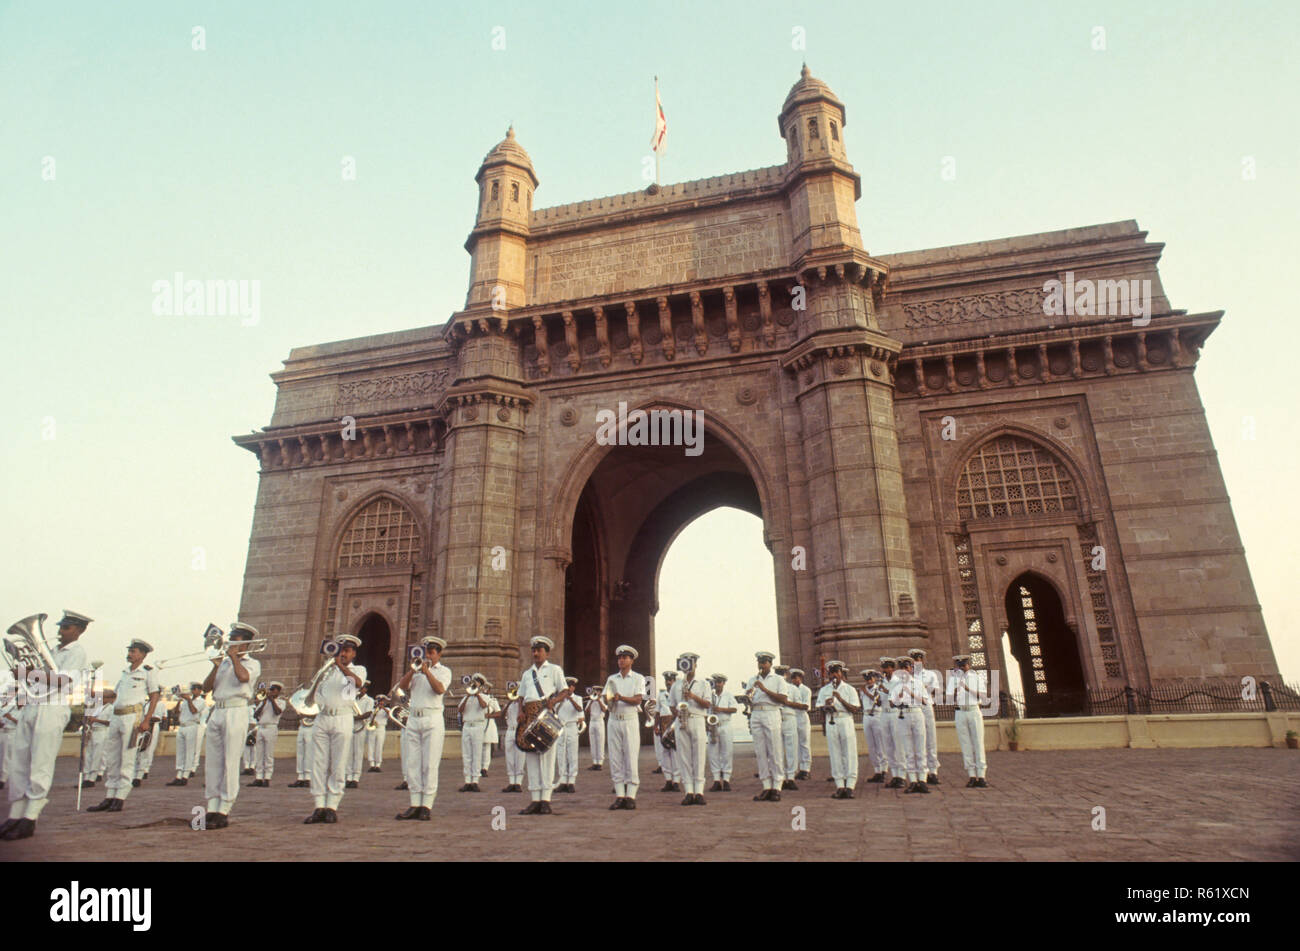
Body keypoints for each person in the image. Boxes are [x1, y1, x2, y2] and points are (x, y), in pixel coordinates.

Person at [2, 610, 91, 840]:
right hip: (33, 705)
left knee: (41, 762)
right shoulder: (52, 651)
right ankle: (15, 815)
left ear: (79, 630)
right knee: (20, 762)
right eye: (60, 626)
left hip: (52, 707)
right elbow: (38, 676)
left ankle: (30, 818)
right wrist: (23, 673)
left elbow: (62, 681)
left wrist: (29, 673)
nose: (59, 631)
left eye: (66, 627)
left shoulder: (77, 652)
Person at [195, 623, 261, 828]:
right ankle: (212, 807)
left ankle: (224, 809)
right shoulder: (222, 663)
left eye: (236, 638)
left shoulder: (253, 663)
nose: (230, 641)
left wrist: (233, 657)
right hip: (218, 711)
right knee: (213, 762)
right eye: (231, 637)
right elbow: (206, 687)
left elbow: (243, 678)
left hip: (236, 710)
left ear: (246, 642)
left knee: (230, 761)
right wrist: (216, 666)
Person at [88, 638, 161, 815]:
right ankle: (110, 795)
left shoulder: (147, 673)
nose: (130, 654)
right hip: (116, 716)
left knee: (127, 758)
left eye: (134, 651)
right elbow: (115, 694)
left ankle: (120, 797)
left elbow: (154, 696)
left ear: (143, 655)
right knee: (112, 757)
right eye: (129, 650)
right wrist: (93, 685)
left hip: (133, 718)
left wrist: (146, 720)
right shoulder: (124, 673)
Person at [304, 634, 366, 824]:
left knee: (338, 763)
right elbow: (314, 695)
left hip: (342, 717)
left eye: (347, 651)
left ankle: (332, 805)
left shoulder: (357, 670)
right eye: (340, 651)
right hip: (323, 717)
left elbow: (351, 690)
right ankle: (319, 804)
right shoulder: (327, 672)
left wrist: (340, 666)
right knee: (318, 763)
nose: (343, 654)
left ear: (354, 653)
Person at [394, 636, 450, 820]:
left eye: (432, 652)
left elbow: (439, 689)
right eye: (426, 651)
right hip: (414, 719)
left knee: (429, 764)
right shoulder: (416, 671)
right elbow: (401, 687)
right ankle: (414, 803)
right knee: (413, 763)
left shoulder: (444, 671)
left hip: (432, 719)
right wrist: (413, 670)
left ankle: (427, 804)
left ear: (439, 654)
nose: (428, 655)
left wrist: (427, 671)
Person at [515, 635, 569, 815]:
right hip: (529, 714)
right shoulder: (526, 674)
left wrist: (554, 701)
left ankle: (546, 798)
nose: (536, 653)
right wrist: (520, 711)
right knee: (531, 757)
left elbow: (565, 691)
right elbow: (521, 695)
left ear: (547, 653)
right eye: (534, 650)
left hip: (545, 713)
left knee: (546, 756)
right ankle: (535, 799)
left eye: (539, 650)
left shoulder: (554, 670)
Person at [603, 645, 647, 810]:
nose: (621, 660)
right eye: (620, 657)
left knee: (630, 756)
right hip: (614, 719)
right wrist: (609, 700)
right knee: (615, 758)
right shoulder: (611, 679)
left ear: (632, 660)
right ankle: (620, 795)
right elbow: (606, 698)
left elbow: (637, 700)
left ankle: (631, 795)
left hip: (629, 720)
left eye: (625, 657)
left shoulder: (638, 678)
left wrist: (620, 697)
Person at [668, 653, 713, 805]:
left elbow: (708, 704)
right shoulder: (676, 685)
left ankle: (699, 791)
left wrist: (692, 696)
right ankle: (688, 791)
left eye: (690, 663)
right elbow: (672, 705)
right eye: (684, 663)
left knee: (699, 756)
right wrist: (678, 715)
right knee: (684, 757)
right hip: (682, 721)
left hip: (698, 719)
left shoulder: (704, 683)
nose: (687, 666)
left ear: (696, 664)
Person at [747, 651, 789, 801]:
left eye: (764, 662)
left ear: (770, 664)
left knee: (774, 750)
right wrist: (748, 696)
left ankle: (777, 786)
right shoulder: (752, 679)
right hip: (756, 713)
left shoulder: (778, 680)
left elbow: (783, 699)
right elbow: (749, 699)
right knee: (760, 751)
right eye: (760, 662)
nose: (761, 665)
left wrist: (764, 689)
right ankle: (766, 786)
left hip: (771, 712)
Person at [816, 661, 862, 798]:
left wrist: (840, 699)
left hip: (845, 719)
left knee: (849, 752)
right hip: (831, 720)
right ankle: (840, 785)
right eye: (831, 673)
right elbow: (818, 707)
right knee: (835, 753)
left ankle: (850, 785)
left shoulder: (849, 689)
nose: (834, 675)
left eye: (837, 672)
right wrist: (825, 705)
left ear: (841, 674)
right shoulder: (824, 690)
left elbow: (855, 709)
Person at [890, 656, 929, 794]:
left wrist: (911, 693)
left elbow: (925, 701)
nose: (905, 671)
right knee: (908, 749)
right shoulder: (896, 685)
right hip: (903, 714)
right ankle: (913, 780)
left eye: (907, 668)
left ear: (911, 669)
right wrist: (899, 697)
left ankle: (923, 779)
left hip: (916, 713)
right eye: (902, 669)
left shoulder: (918, 683)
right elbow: (891, 703)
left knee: (920, 748)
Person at [951, 655, 989, 787]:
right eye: (959, 666)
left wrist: (966, 688)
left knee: (978, 743)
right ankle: (972, 775)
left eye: (963, 665)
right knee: (965, 744)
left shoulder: (976, 678)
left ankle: (981, 775)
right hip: (961, 711)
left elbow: (983, 696)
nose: (962, 668)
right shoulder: (955, 679)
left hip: (973, 710)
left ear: (968, 665)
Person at [908, 649, 941, 784]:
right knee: (916, 740)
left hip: (926, 706)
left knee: (930, 738)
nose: (917, 663)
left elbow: (934, 689)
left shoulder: (930, 674)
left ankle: (933, 770)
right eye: (914, 661)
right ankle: (920, 771)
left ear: (922, 661)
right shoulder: (908, 677)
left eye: (919, 660)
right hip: (914, 708)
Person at [168, 683, 206, 786]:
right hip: (182, 726)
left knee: (189, 751)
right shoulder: (185, 701)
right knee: (180, 751)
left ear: (199, 691)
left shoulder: (201, 701)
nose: (192, 691)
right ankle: (178, 774)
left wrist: (189, 700)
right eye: (192, 689)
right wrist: (179, 700)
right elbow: (176, 712)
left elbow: (194, 711)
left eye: (194, 689)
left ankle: (185, 775)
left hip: (192, 726)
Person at [248, 681, 284, 787]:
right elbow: (255, 715)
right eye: (270, 689)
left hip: (271, 728)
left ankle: (267, 777)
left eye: (273, 690)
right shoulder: (264, 702)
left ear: (278, 691)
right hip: (261, 728)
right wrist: (263, 703)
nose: (271, 691)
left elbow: (278, 712)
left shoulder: (281, 702)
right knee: (259, 754)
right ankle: (258, 777)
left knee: (268, 754)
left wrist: (272, 700)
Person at [458, 673, 488, 792]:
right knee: (466, 754)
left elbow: (483, 706)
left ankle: (475, 780)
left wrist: (477, 695)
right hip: (467, 726)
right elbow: (460, 710)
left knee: (476, 754)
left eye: (477, 683)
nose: (474, 685)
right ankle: (467, 780)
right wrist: (467, 696)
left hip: (477, 726)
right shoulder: (466, 697)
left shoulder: (483, 697)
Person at [707, 674, 737, 791]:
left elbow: (734, 709)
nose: (718, 684)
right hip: (713, 726)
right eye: (716, 682)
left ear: (724, 683)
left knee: (727, 753)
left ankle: (726, 780)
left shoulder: (728, 695)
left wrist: (721, 709)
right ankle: (716, 780)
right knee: (713, 754)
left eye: (720, 682)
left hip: (725, 725)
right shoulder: (710, 695)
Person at [859, 670, 889, 783]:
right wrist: (864, 692)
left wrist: (866, 692)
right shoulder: (862, 690)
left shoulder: (879, 688)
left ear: (874, 679)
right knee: (871, 745)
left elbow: (878, 702)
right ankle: (877, 770)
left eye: (871, 679)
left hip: (877, 715)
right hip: (866, 715)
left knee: (880, 743)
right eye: (867, 679)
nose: (869, 681)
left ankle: (884, 770)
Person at [82, 687, 116, 787]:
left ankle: (92, 778)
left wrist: (96, 721)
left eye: (104, 697)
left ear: (109, 699)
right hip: (92, 731)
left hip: (102, 732)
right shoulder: (97, 707)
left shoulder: (111, 708)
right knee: (88, 755)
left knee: (97, 755)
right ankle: (86, 776)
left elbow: (110, 722)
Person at [497, 681, 524, 793]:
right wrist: (508, 702)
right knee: (510, 758)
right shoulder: (509, 704)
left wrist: (520, 703)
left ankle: (518, 782)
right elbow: (501, 715)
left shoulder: (523, 704)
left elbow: (522, 716)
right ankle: (511, 781)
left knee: (520, 757)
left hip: (519, 731)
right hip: (510, 731)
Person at [655, 671, 679, 792]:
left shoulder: (679, 694)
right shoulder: (661, 695)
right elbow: (658, 712)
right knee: (665, 753)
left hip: (675, 724)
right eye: (667, 680)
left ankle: (676, 781)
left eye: (670, 680)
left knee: (675, 754)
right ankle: (668, 780)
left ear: (675, 681)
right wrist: (656, 726)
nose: (668, 683)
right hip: (664, 725)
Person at [346, 682, 374, 788]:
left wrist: (355, 718)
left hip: (361, 728)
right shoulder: (353, 700)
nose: (360, 690)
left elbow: (368, 713)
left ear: (365, 689)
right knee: (349, 753)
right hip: (351, 727)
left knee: (358, 753)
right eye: (359, 688)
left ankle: (355, 778)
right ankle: (348, 776)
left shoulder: (369, 700)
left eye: (362, 688)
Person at [788, 668, 813, 781]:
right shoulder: (790, 689)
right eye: (793, 678)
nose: (794, 680)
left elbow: (806, 706)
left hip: (802, 717)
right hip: (793, 718)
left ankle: (806, 769)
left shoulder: (806, 690)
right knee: (795, 744)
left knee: (804, 743)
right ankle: (798, 769)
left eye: (796, 678)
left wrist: (790, 704)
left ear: (801, 678)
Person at [132, 707, 162, 785]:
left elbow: (157, 718)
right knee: (134, 753)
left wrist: (146, 718)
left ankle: (139, 776)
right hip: (135, 726)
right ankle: (133, 775)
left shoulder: (156, 703)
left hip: (146, 728)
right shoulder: (144, 703)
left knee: (144, 751)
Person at [584, 684, 607, 771]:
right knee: (593, 742)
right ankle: (594, 762)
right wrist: (591, 701)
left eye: (597, 691)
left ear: (600, 692)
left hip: (599, 721)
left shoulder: (603, 700)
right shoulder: (591, 700)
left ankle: (600, 763)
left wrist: (598, 701)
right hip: (592, 721)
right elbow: (586, 711)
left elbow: (604, 710)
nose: (596, 692)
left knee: (600, 742)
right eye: (595, 691)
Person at [289, 712, 314, 788]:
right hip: (302, 727)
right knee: (300, 753)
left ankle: (308, 777)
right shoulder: (303, 701)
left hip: (312, 727)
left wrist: (307, 714)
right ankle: (300, 777)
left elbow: (318, 713)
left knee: (309, 753)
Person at [479, 683, 498, 779]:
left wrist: (489, 716)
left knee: (486, 747)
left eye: (487, 688)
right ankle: (477, 767)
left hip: (488, 724)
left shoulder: (492, 700)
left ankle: (484, 768)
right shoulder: (477, 698)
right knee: (477, 747)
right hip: (478, 723)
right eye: (483, 687)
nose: (485, 689)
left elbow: (499, 712)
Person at [366, 694, 389, 772]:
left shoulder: (386, 709)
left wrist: (383, 708)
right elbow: (369, 719)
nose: (381, 703)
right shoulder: (373, 710)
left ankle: (378, 764)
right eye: (380, 701)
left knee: (379, 746)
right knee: (371, 746)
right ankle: (371, 764)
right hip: (373, 728)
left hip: (381, 728)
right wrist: (376, 711)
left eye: (382, 701)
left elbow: (390, 714)